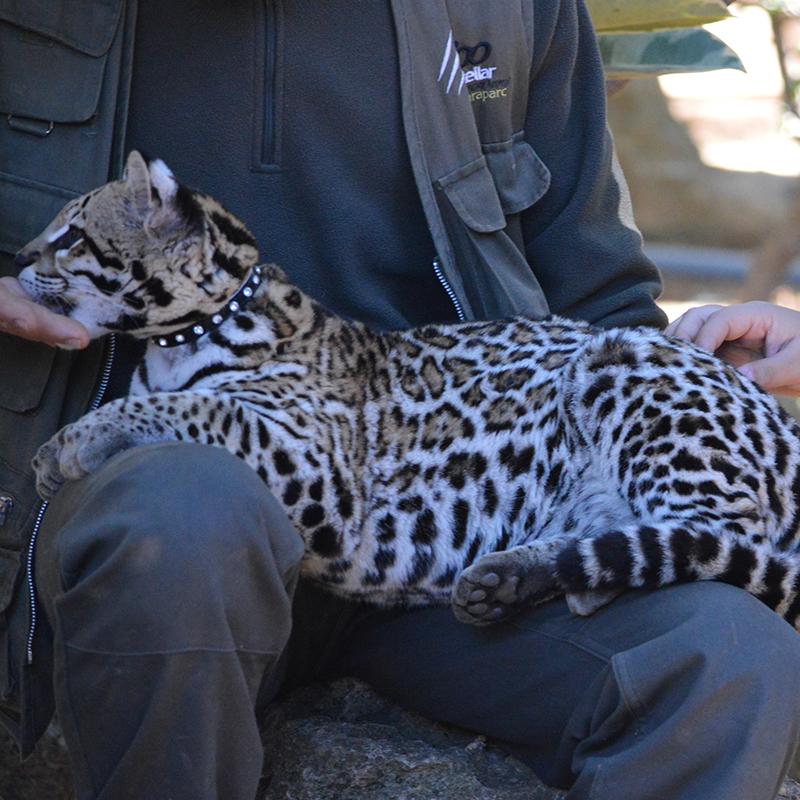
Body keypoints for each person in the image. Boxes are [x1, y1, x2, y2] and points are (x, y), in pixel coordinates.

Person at [1, 2, 800, 799]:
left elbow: (599, 295)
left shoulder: (515, 9)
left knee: (730, 653)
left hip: (469, 535)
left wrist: (712, 371)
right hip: (172, 528)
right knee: (182, 510)